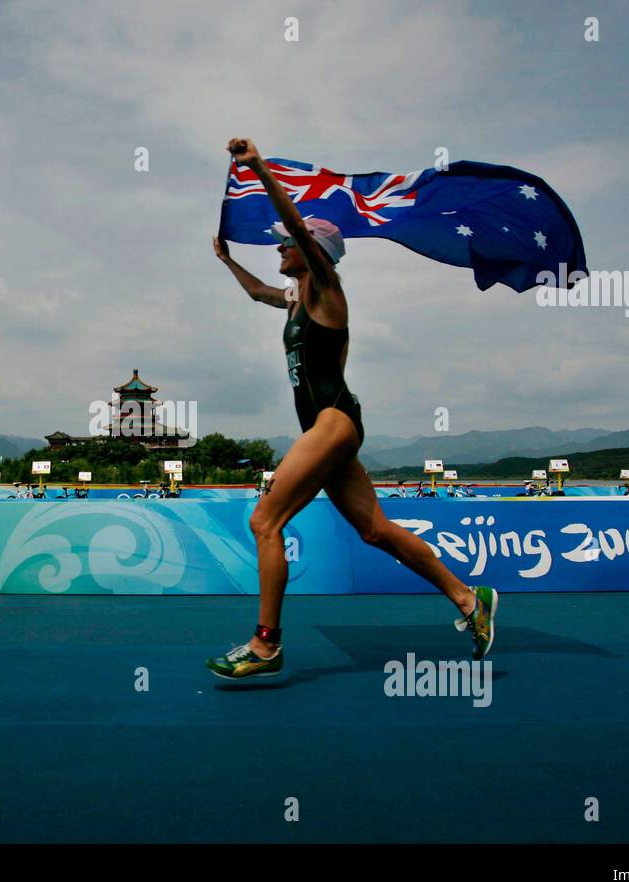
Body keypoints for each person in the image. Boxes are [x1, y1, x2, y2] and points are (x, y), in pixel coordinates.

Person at [206, 137, 497, 680]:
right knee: (374, 530)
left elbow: (295, 225)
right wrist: (226, 260)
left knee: (264, 520)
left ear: (312, 249)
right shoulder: (294, 301)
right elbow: (256, 293)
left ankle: (266, 645)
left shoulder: (326, 291)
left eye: (286, 246)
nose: (279, 251)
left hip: (334, 422)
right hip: (332, 427)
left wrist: (259, 168)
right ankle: (468, 599)